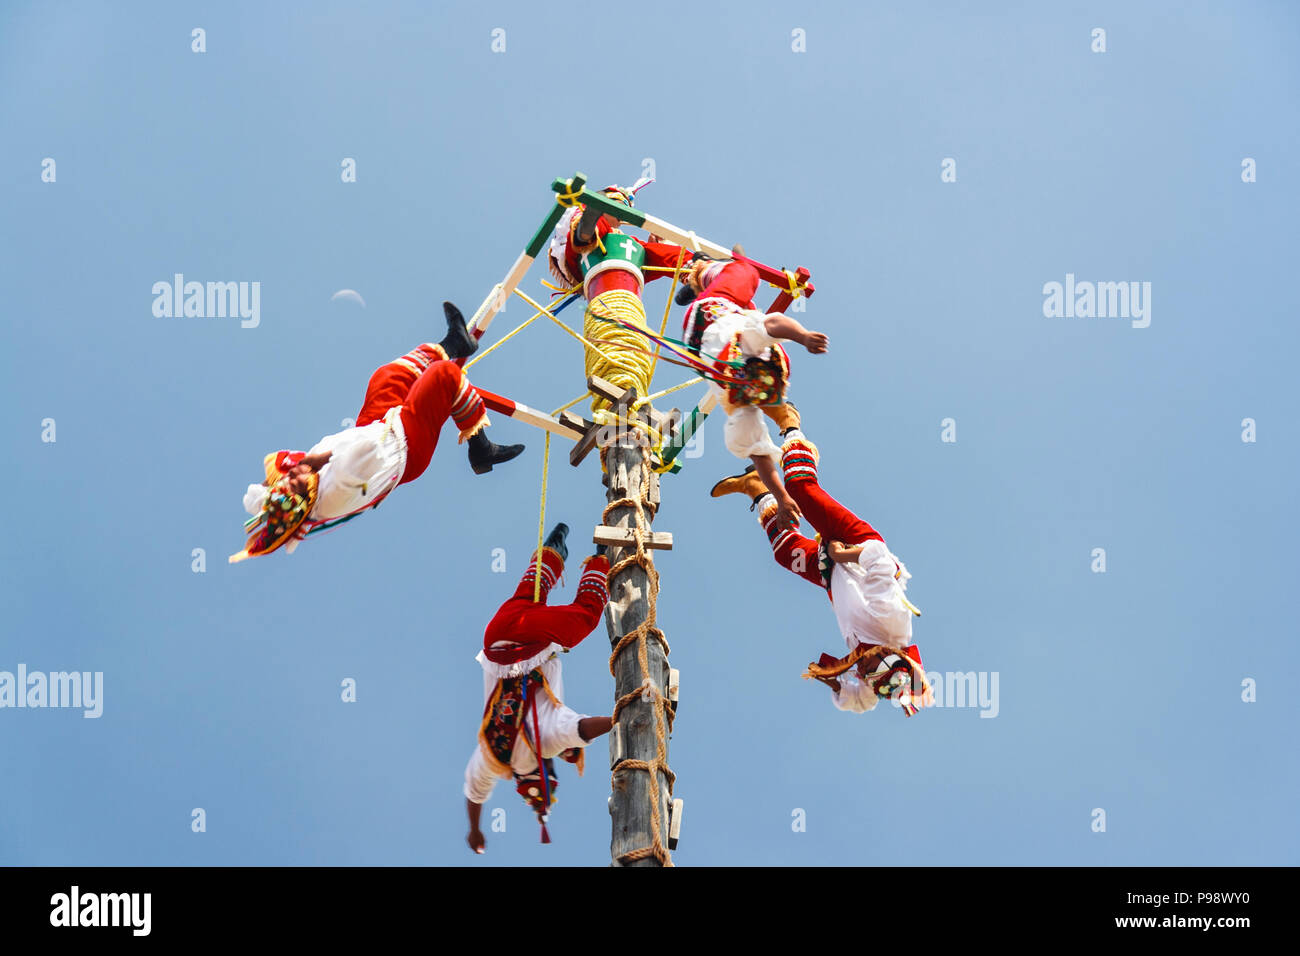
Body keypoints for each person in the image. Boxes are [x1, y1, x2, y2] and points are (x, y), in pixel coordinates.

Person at [229, 302, 524, 563]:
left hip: (376, 427)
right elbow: (360, 454)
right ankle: (480, 447)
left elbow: (282, 465)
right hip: (404, 447)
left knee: (385, 376)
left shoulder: (306, 485)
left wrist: (290, 477)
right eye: (293, 483)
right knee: (442, 377)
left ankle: (453, 343)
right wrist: (316, 461)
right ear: (303, 503)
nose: (292, 474)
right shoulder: (333, 497)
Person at [710, 429, 933, 716]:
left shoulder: (868, 666)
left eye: (866, 676)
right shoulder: (892, 624)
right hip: (857, 546)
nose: (861, 669)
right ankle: (790, 427)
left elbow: (860, 701)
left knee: (786, 552)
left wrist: (833, 683)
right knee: (801, 491)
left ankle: (755, 485)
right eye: (869, 669)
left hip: (832, 571)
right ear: (890, 655)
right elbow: (879, 559)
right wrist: (842, 554)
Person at [464, 523, 613, 851]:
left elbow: (581, 729)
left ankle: (602, 561)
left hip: (522, 643)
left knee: (583, 620)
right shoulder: (491, 758)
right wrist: (474, 830)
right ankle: (553, 554)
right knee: (528, 598)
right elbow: (474, 793)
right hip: (496, 635)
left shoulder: (544, 742)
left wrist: (620, 719)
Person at [682, 257, 829, 527]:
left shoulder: (741, 395)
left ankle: (703, 271)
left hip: (712, 315)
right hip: (710, 329)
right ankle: (702, 272)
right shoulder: (741, 397)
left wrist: (782, 497)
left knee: (744, 271)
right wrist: (803, 336)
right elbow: (772, 324)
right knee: (748, 295)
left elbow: (759, 453)